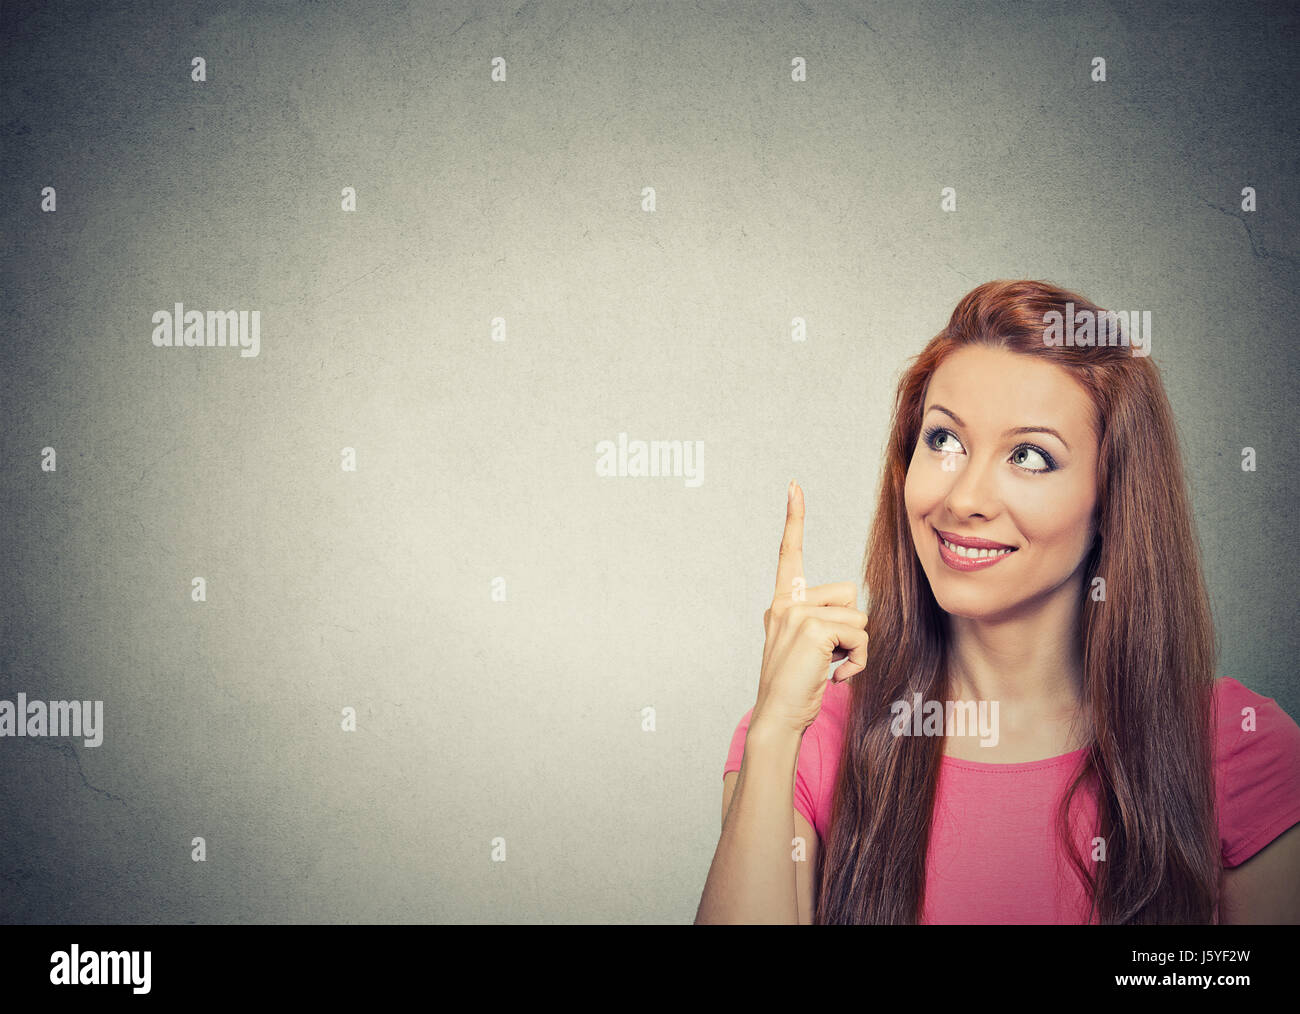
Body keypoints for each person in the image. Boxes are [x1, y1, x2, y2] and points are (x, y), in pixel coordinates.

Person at [696, 279, 1300, 924]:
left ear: (1112, 502)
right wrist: (773, 727)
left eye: (1030, 456)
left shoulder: (1235, 747)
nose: (964, 498)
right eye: (945, 441)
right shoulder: (811, 737)